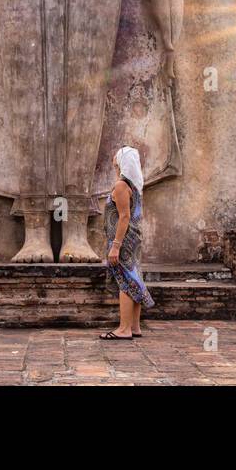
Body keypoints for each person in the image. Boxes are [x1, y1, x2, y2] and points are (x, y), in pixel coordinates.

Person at [99, 146, 155, 340]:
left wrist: (115, 245)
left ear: (123, 164)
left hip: (124, 242)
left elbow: (124, 217)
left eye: (116, 163)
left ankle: (124, 329)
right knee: (134, 279)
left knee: (125, 282)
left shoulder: (122, 186)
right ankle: (134, 326)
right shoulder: (135, 187)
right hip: (133, 239)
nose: (114, 165)